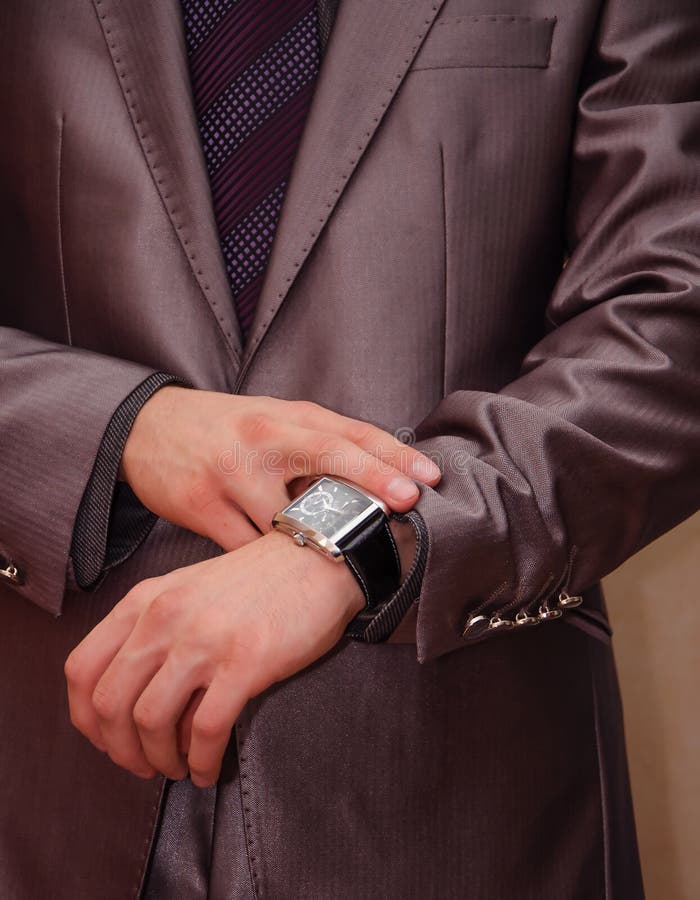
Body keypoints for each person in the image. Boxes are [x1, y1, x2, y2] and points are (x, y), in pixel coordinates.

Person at [1, 0, 698, 897]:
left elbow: (672, 313)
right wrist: (126, 428)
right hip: (50, 788)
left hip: (464, 804)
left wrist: (356, 542)